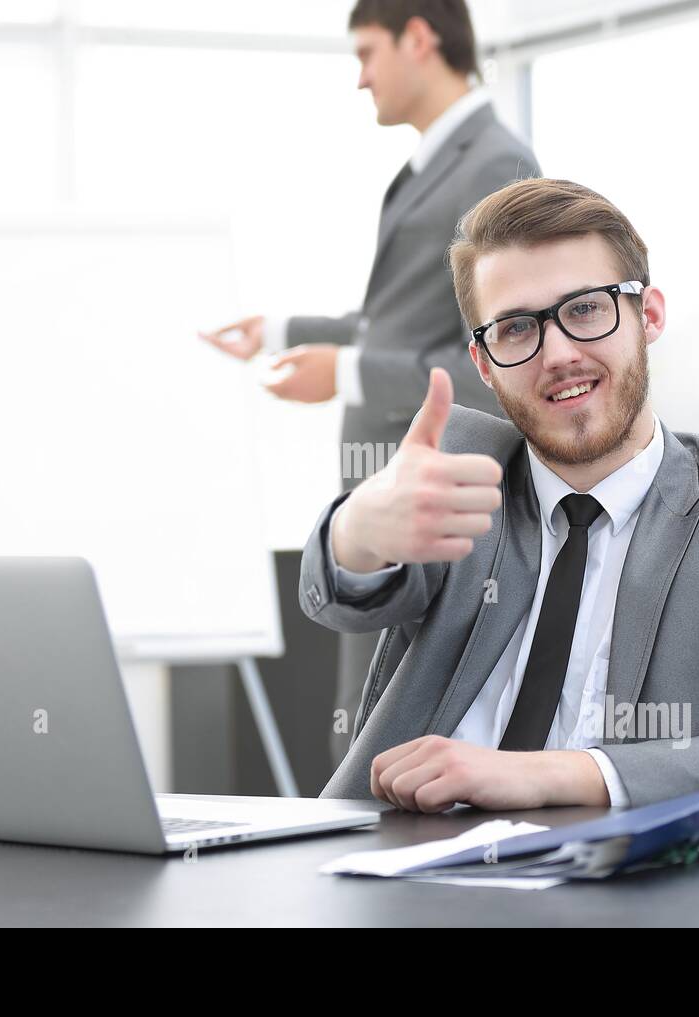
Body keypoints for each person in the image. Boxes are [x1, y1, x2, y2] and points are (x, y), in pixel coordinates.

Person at [299, 177, 699, 810]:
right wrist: (356, 533)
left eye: (586, 309)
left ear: (647, 315)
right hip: (403, 876)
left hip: (619, 887)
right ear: (484, 364)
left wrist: (550, 775)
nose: (559, 354)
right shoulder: (465, 472)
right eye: (515, 329)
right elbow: (340, 601)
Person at [201, 0, 539, 764]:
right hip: (391, 502)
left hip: (436, 502)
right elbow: (400, 321)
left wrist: (347, 373)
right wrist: (284, 331)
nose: (360, 79)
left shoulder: (495, 167)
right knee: (374, 733)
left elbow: (502, 356)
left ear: (419, 38)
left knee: (398, 741)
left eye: (367, 53)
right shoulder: (434, 165)